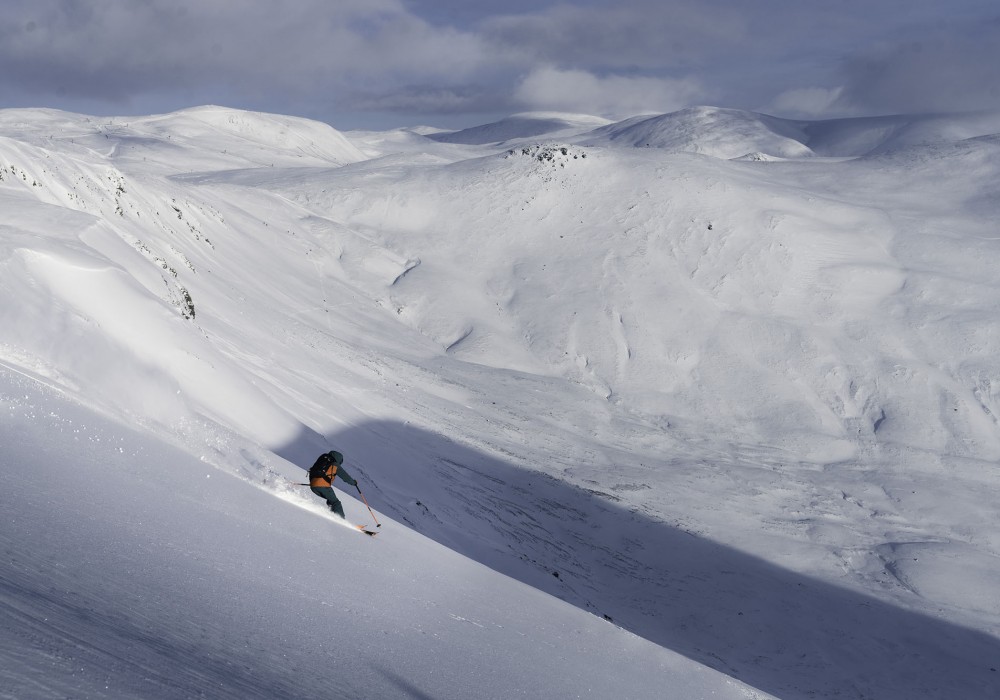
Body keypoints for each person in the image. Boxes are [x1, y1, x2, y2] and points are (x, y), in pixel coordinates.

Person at [308, 450, 357, 519]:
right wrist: (354, 482)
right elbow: (346, 477)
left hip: (313, 486)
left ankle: (332, 515)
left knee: (331, 500)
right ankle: (341, 520)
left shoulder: (323, 460)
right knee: (336, 503)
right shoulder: (335, 464)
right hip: (323, 486)